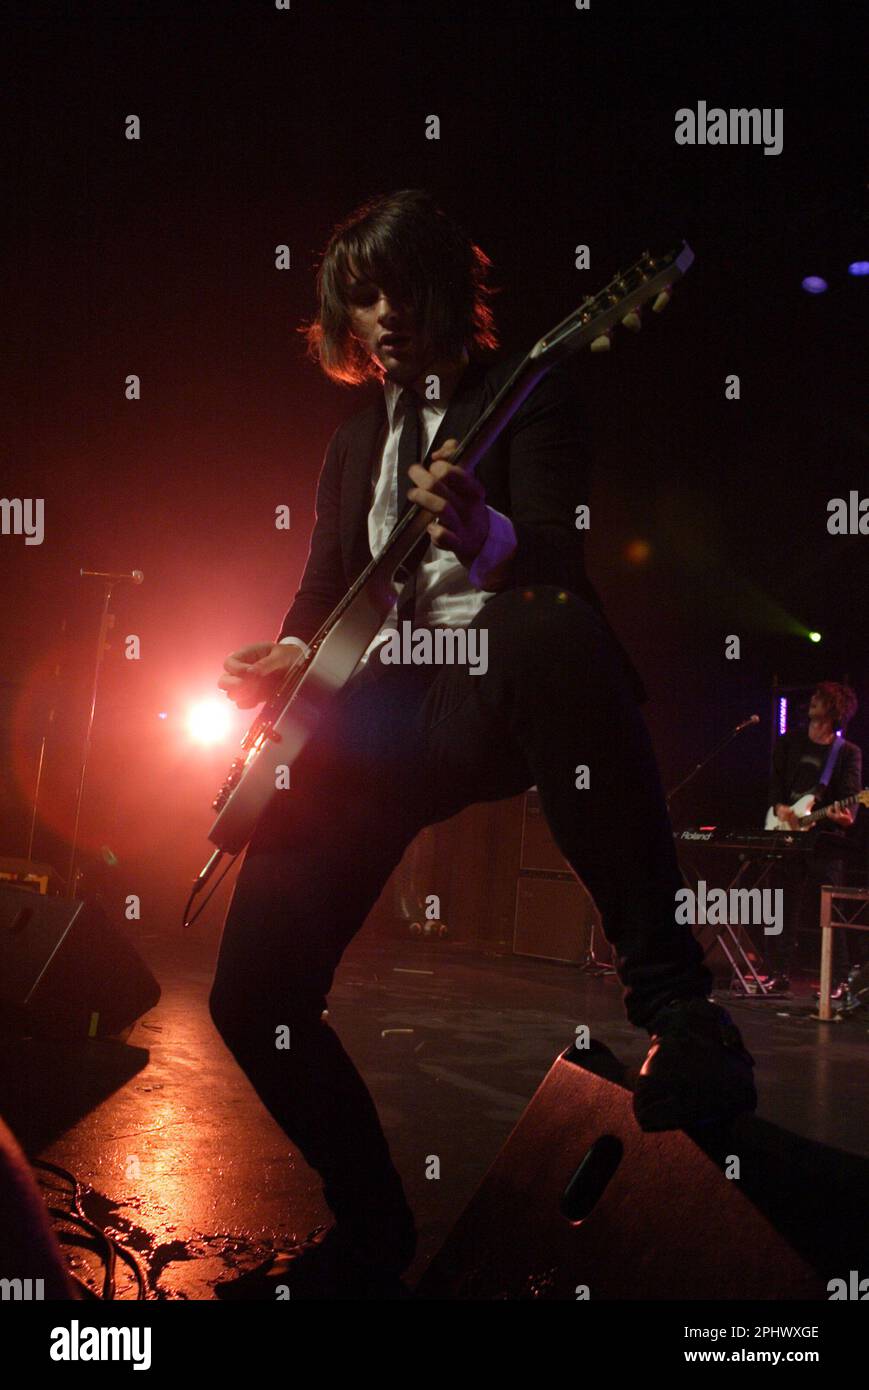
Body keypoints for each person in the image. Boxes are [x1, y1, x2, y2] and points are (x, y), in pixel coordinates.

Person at [209, 189, 756, 1299]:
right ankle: (370, 1231)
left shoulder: (529, 394)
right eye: (359, 296)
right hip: (368, 714)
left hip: (486, 687)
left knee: (550, 625)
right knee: (251, 998)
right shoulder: (352, 441)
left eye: (403, 288)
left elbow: (557, 557)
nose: (383, 314)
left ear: (448, 295)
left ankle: (678, 1009)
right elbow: (322, 599)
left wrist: (484, 532)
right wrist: (284, 657)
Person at [765, 682, 862, 994]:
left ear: (833, 710)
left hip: (823, 840)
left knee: (829, 910)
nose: (812, 702)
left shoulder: (846, 753)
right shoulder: (789, 742)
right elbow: (774, 785)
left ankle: (838, 980)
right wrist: (780, 808)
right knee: (783, 905)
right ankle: (777, 973)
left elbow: (850, 804)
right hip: (786, 834)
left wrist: (842, 815)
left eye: (819, 700)